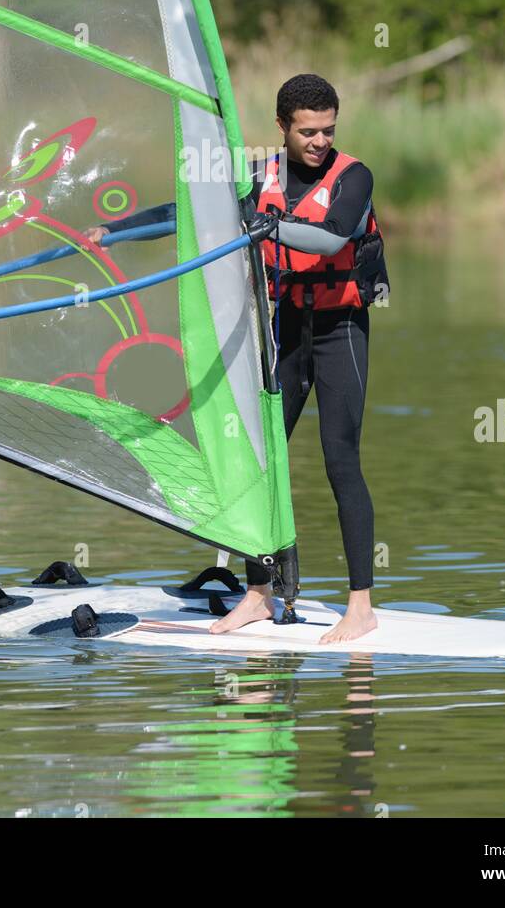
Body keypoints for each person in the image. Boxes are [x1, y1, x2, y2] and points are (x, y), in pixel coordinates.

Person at [210, 73, 388, 643]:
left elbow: (335, 238)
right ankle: (258, 595)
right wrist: (110, 230)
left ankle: (360, 606)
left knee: (341, 461)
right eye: (307, 131)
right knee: (262, 465)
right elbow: (189, 217)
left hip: (341, 333)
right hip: (286, 331)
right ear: (282, 126)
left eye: (328, 130)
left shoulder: (353, 176)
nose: (319, 141)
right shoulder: (258, 177)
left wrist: (270, 225)